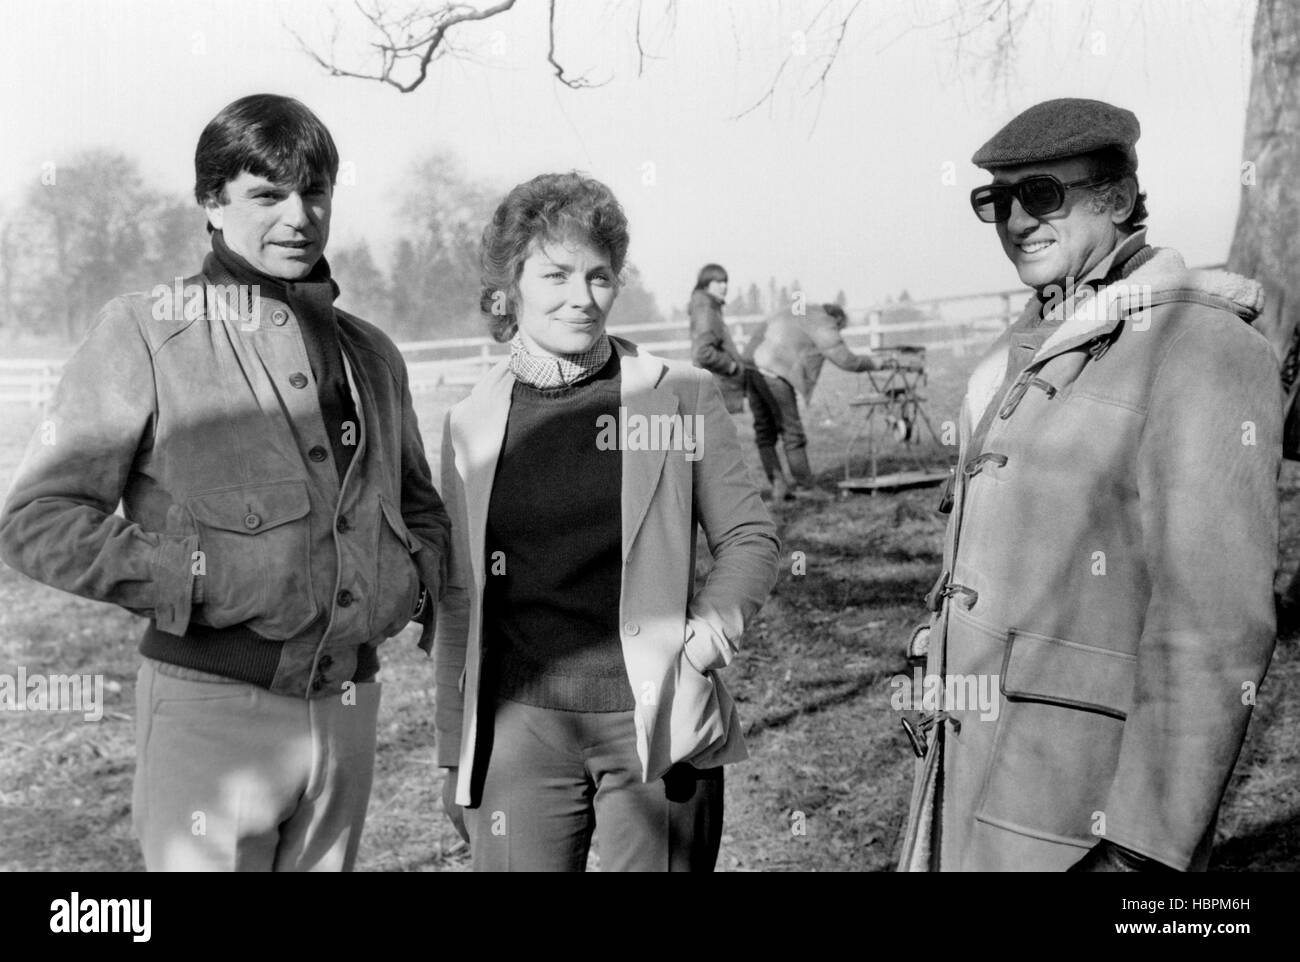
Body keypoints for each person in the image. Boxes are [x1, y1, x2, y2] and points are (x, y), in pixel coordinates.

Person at [0, 94, 450, 871]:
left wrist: (412, 591)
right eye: (268, 194)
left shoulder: (372, 353)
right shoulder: (146, 331)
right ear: (211, 201)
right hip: (209, 712)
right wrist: (194, 576)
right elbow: (37, 518)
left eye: (316, 192)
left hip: (348, 709)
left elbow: (418, 509)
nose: (299, 216)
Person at [898, 98, 1281, 872]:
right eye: (996, 201)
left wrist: (1140, 853)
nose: (1015, 222)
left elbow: (1212, 627)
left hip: (1082, 817)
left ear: (1115, 197)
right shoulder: (1019, 357)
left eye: (1040, 194)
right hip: (972, 785)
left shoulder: (1198, 348)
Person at [434, 173, 780, 872]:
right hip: (519, 732)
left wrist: (701, 644)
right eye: (556, 274)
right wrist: (454, 750)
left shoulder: (678, 395)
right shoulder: (468, 424)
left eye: (599, 277)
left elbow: (749, 537)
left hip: (655, 724)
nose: (581, 298)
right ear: (512, 285)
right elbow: (459, 596)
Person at [744, 302, 916, 495]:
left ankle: (778, 487)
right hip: (774, 371)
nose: (838, 333)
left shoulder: (800, 312)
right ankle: (806, 487)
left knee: (765, 432)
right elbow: (845, 359)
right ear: (837, 319)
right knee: (792, 433)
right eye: (839, 329)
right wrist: (877, 363)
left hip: (751, 366)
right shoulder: (822, 321)